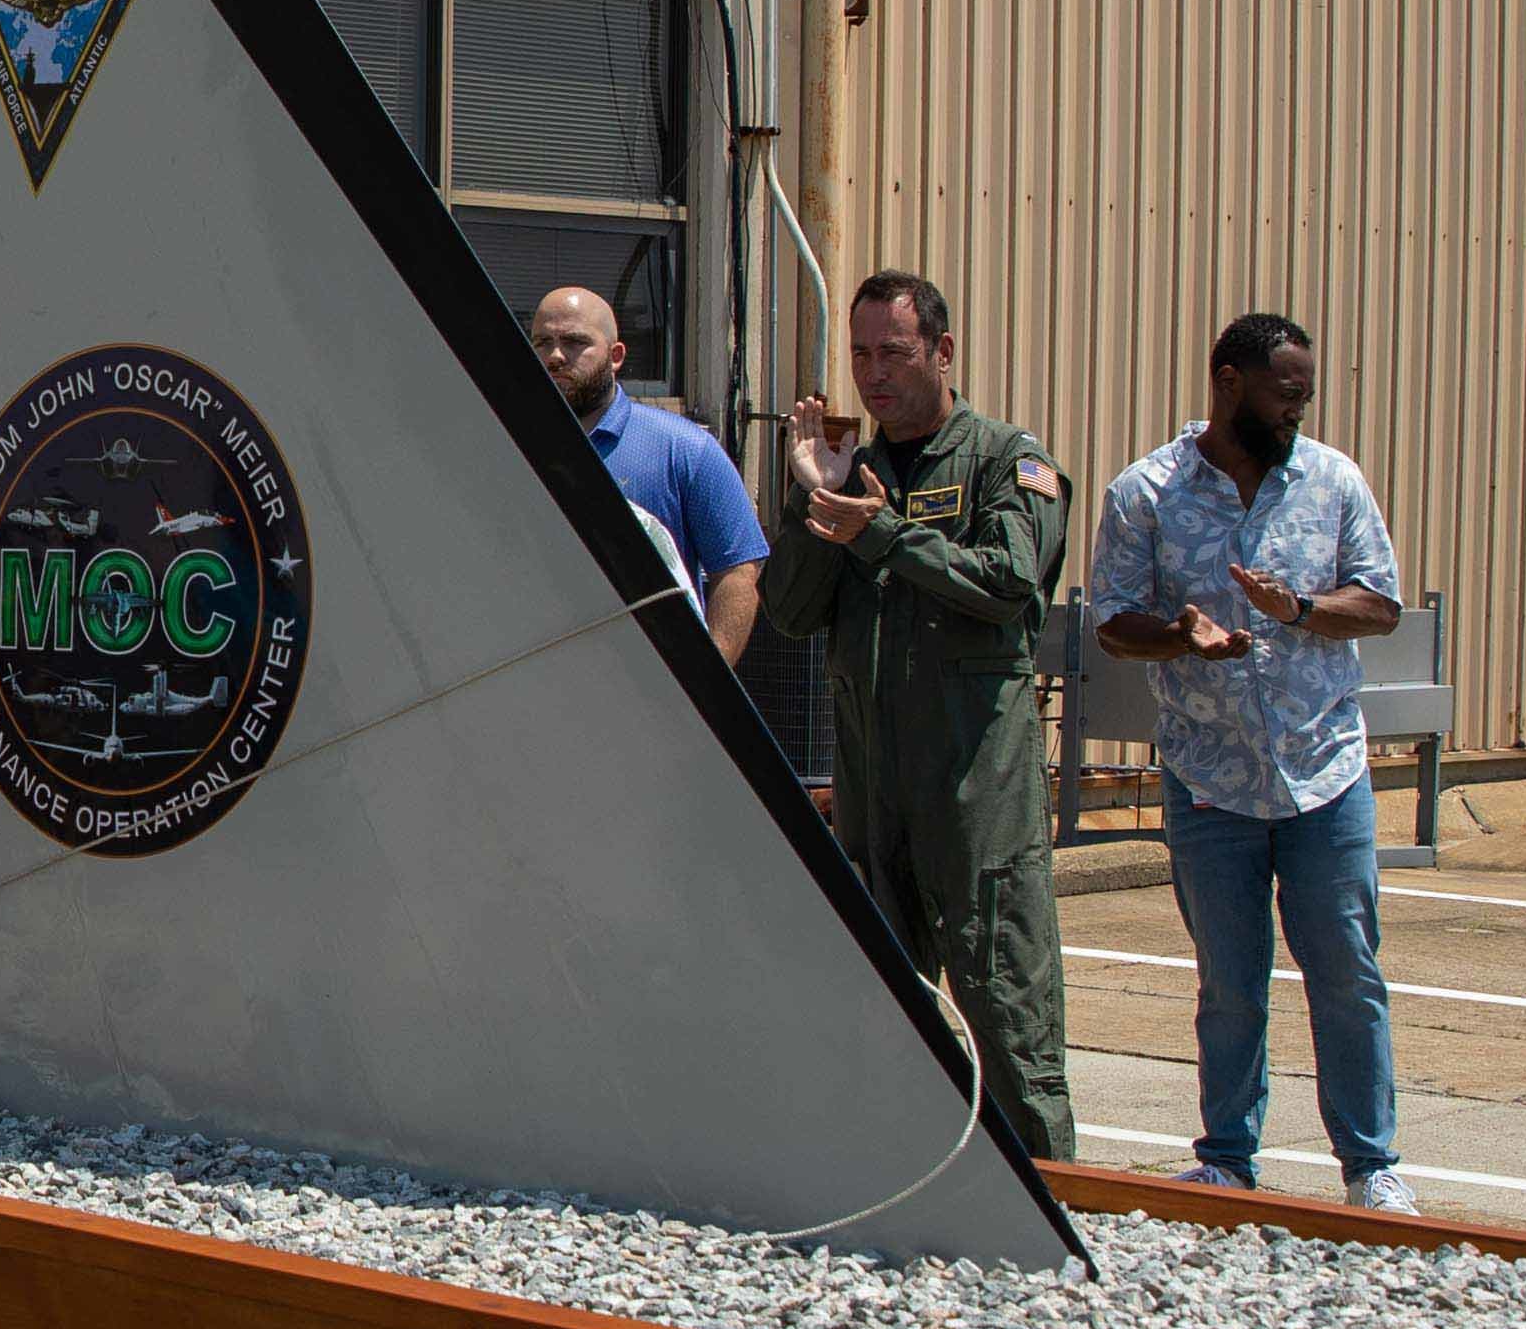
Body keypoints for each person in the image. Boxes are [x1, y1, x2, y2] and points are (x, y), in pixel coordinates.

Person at [1084, 313, 1418, 1210]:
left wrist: (1302, 607)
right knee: (1230, 982)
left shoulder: (1332, 479)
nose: (1297, 408)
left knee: (1347, 973)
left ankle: (1372, 1165)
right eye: (1284, 390)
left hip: (1324, 773)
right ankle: (1227, 1154)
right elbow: (1112, 622)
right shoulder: (1147, 491)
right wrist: (1181, 635)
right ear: (1227, 381)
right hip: (1210, 778)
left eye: (1305, 392)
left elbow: (1380, 603)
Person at [756, 271, 1076, 1160]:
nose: (873, 374)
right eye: (859, 355)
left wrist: (884, 534)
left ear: (941, 350)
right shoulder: (856, 472)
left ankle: (1055, 1202)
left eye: (892, 352)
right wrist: (812, 497)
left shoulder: (1006, 461)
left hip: (977, 803)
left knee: (1009, 1022)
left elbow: (1010, 584)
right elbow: (788, 609)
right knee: (879, 1025)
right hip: (874, 802)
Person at [528, 282, 761, 667]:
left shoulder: (683, 450)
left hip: (648, 690)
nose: (554, 356)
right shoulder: (513, 444)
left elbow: (737, 572)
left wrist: (708, 686)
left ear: (615, 355)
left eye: (573, 342)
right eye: (541, 342)